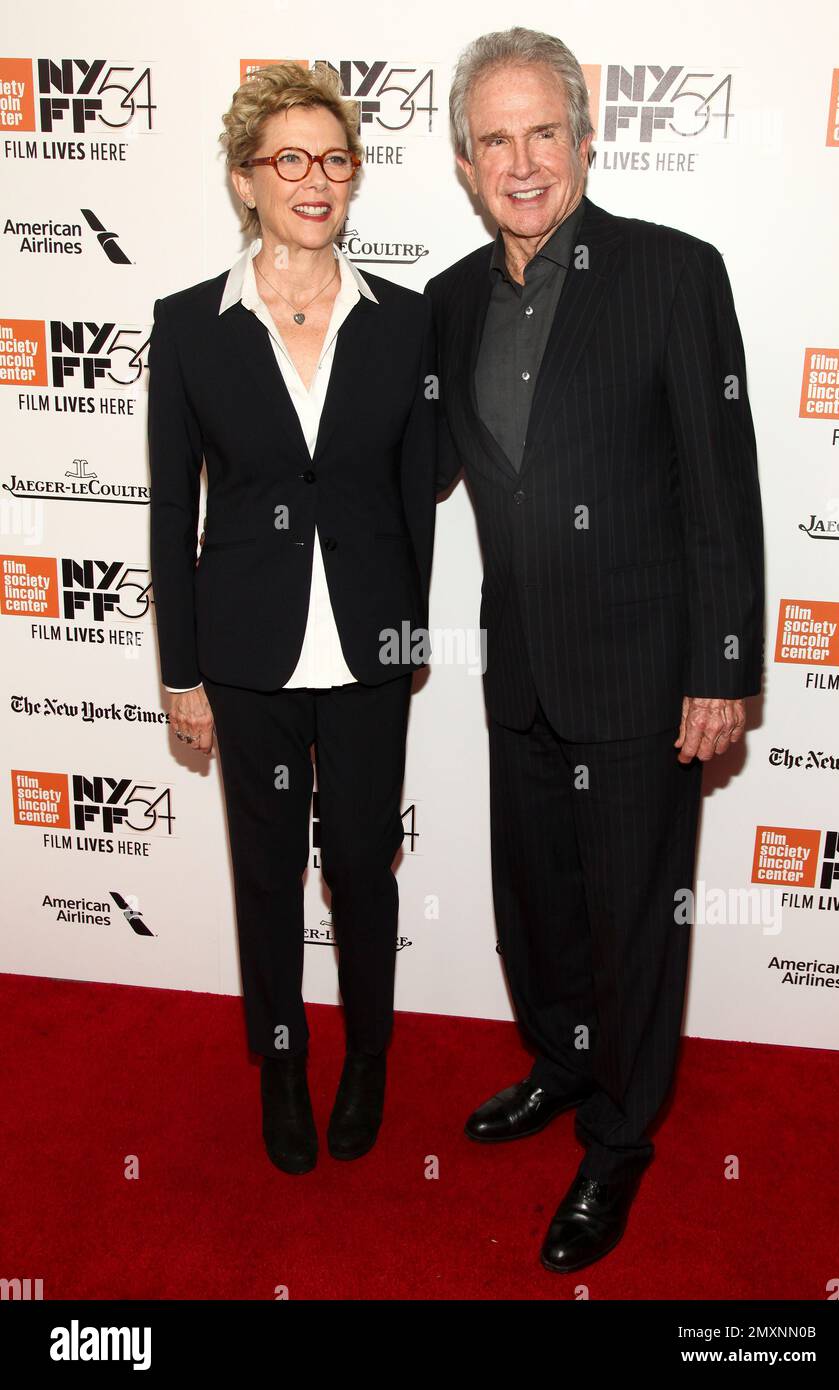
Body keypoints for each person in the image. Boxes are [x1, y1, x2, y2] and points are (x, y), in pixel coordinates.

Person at [426, 27, 764, 1271]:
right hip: (515, 665)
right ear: (465, 162)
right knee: (540, 910)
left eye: (541, 133)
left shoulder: (671, 274)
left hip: (639, 672)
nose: (520, 162)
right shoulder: (452, 300)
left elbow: (719, 488)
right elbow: (406, 472)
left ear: (584, 136)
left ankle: (619, 1143)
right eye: (493, 140)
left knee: (630, 920)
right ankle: (561, 1066)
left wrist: (722, 666)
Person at [147, 62, 437, 1175]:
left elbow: (415, 495)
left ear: (352, 177)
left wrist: (409, 636)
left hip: (367, 654)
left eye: (333, 158)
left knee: (363, 865)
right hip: (248, 656)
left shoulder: (401, 322)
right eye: (288, 159)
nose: (314, 180)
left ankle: (367, 1055)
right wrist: (183, 672)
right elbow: (176, 510)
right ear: (244, 179)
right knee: (266, 870)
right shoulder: (189, 327)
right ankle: (282, 1061)